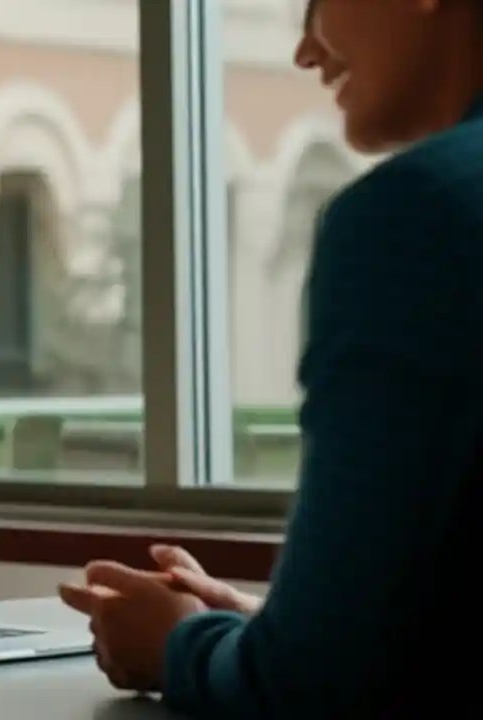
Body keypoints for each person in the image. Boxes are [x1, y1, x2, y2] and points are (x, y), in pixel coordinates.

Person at [60, 0, 483, 715]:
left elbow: (310, 685)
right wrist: (273, 630)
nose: (305, 49)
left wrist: (178, 645)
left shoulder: (421, 214)